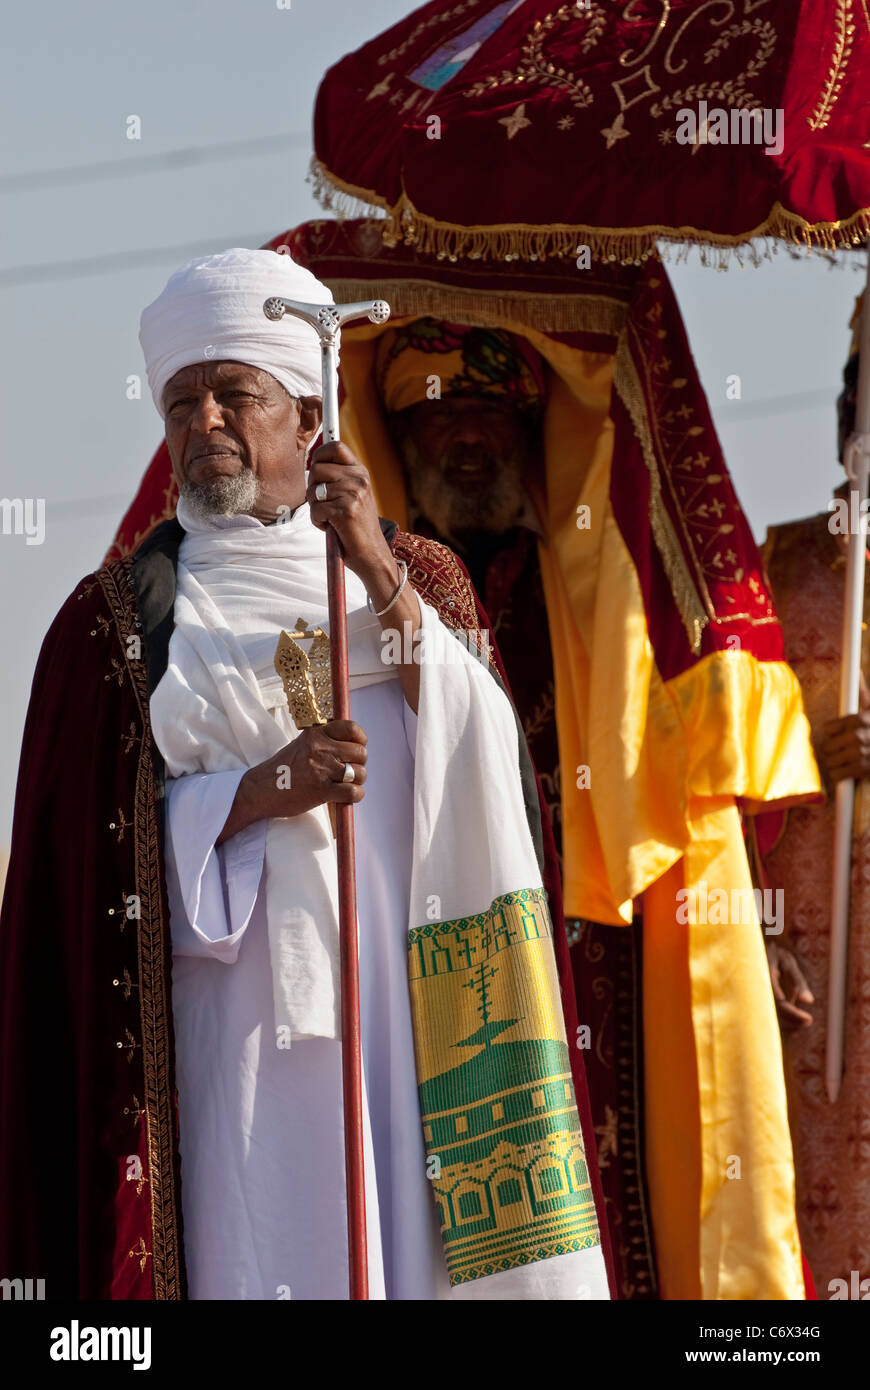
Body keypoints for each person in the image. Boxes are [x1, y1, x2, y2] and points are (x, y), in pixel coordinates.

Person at [0, 248, 609, 1302]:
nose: (206, 426)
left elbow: (494, 778)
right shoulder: (114, 625)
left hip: (412, 1011)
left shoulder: (419, 581)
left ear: (309, 419)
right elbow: (81, 875)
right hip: (230, 1030)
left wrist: (373, 569)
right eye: (182, 403)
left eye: (238, 396)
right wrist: (256, 791)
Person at [761, 292, 869, 1296]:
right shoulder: (775, 565)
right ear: (846, 428)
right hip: (809, 937)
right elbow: (717, 760)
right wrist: (812, 754)